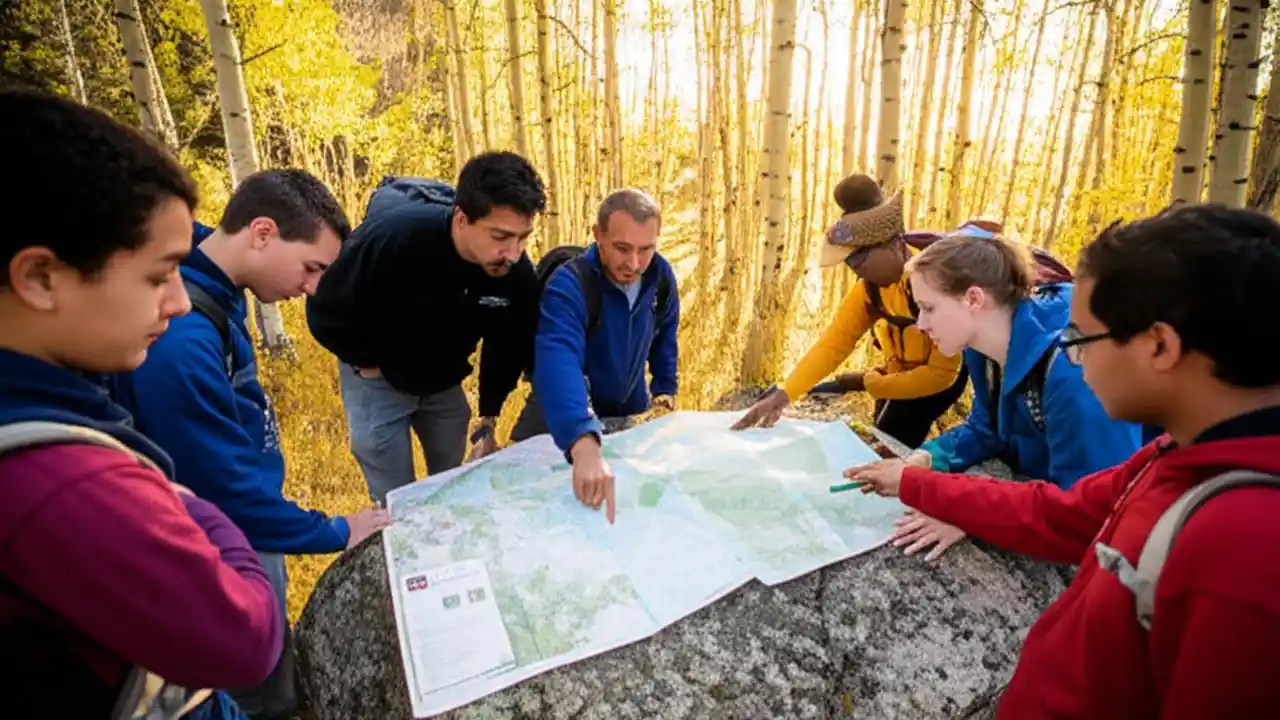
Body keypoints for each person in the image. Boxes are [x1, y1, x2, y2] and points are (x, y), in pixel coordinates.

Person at [851, 204, 1280, 718]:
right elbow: (1074, 511)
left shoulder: (1244, 554)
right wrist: (924, 475)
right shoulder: (1170, 456)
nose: (1071, 355)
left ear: (1160, 346)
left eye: (1080, 339)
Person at [0, 88, 282, 717]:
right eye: (158, 275)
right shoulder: (62, 484)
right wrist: (196, 512)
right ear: (41, 278)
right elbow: (247, 636)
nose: (178, 303)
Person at [109, 169, 392, 718]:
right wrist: (333, 530)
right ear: (262, 232)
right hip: (222, 541)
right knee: (248, 685)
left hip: (251, 527)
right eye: (311, 268)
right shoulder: (183, 336)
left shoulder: (218, 292)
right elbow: (218, 484)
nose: (311, 287)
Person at [306, 152, 546, 504]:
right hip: (377, 381)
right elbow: (326, 309)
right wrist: (367, 361)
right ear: (462, 218)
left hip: (443, 382)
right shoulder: (395, 237)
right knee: (395, 496)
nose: (512, 252)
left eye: (522, 238)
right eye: (500, 236)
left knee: (450, 482)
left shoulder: (517, 274)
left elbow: (508, 344)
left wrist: (489, 415)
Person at [733, 174, 966, 447]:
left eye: (858, 258)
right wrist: (785, 395)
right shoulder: (870, 290)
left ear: (890, 244)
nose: (854, 268)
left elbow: (942, 375)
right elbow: (834, 344)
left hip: (936, 379)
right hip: (896, 375)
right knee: (881, 441)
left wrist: (874, 384)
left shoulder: (935, 284)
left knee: (888, 446)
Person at [512, 188, 680, 522]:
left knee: (627, 516)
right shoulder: (569, 285)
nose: (634, 264)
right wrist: (583, 440)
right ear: (598, 235)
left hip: (628, 409)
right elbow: (558, 359)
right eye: (622, 248)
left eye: (646, 249)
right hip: (561, 414)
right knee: (529, 509)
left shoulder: (660, 277)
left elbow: (665, 334)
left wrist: (665, 392)